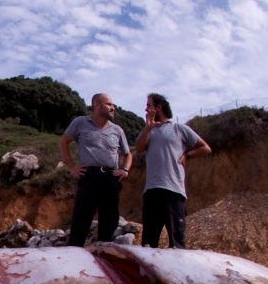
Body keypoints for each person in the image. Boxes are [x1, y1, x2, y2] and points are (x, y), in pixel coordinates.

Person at [136, 93, 211, 248]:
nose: (146, 109)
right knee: (148, 244)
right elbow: (139, 148)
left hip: (174, 192)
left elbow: (205, 148)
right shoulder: (149, 131)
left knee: (177, 243)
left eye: (149, 105)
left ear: (158, 107)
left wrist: (187, 155)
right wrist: (148, 127)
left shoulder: (179, 129)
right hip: (151, 191)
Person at [60, 93, 133, 247]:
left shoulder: (117, 130)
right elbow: (64, 141)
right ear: (97, 105)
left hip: (110, 177)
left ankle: (104, 253)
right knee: (81, 218)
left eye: (113, 105)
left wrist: (125, 169)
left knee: (110, 219)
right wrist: (72, 166)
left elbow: (128, 154)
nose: (113, 108)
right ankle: (74, 253)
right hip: (89, 176)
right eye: (109, 104)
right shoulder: (80, 122)